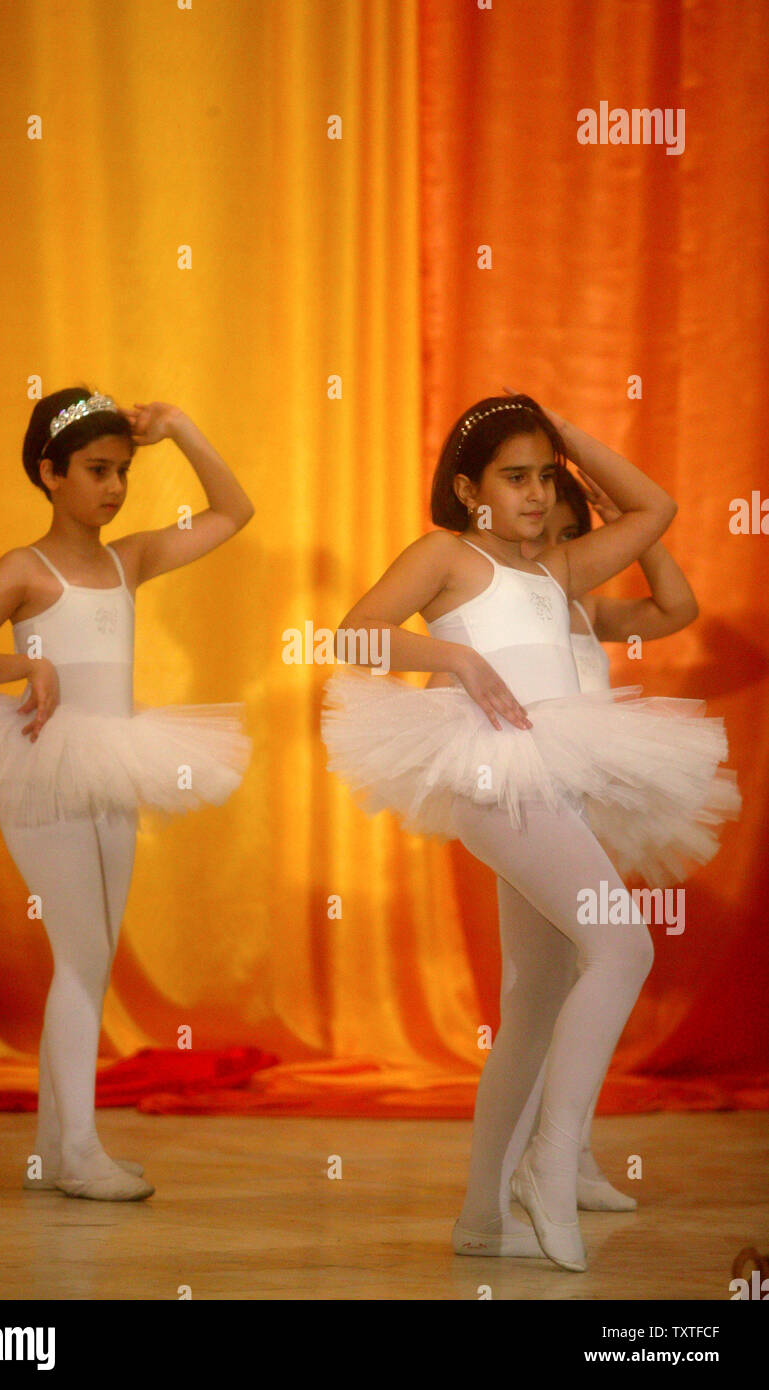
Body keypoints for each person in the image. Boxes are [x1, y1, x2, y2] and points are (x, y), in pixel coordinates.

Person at [320, 391, 739, 1271]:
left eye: (546, 476)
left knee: (536, 1000)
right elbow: (351, 638)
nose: (538, 493)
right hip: (489, 767)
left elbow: (655, 509)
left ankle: (483, 1215)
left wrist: (564, 434)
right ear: (467, 487)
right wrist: (455, 656)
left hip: (556, 771)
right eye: (515, 477)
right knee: (622, 948)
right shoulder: (445, 553)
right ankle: (551, 1160)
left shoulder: (558, 571)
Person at [0, 387, 254, 1202]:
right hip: (43, 761)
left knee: (89, 959)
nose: (115, 487)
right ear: (49, 472)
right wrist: (25, 665)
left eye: (123, 471)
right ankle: (79, 1152)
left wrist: (180, 427)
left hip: (115, 763)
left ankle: (54, 1151)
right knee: (84, 955)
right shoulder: (23, 569)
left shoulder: (129, 560)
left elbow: (232, 512)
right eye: (97, 470)